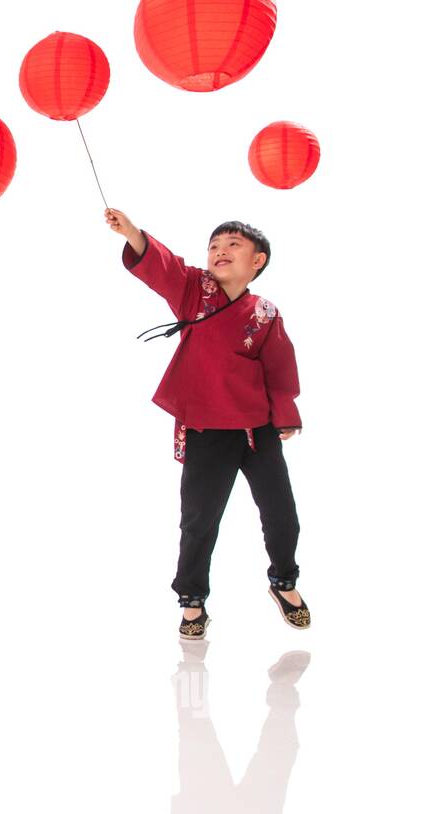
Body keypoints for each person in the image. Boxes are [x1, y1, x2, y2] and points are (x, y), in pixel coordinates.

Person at [106, 208, 310, 639]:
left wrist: (285, 415)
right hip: (205, 429)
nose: (220, 251)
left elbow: (280, 368)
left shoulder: (266, 313)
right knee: (199, 521)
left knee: (282, 515)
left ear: (258, 260)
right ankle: (192, 599)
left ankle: (284, 581)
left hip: (257, 431)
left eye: (233, 245)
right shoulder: (193, 291)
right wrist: (133, 234)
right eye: (214, 245)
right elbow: (164, 267)